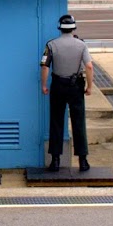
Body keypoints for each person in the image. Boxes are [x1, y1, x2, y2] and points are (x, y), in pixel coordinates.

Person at [40, 13, 94, 172]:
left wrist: (44, 85)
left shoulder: (51, 45)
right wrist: (89, 87)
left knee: (56, 121)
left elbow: (45, 67)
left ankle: (55, 160)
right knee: (78, 121)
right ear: (73, 28)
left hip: (58, 85)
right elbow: (89, 66)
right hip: (75, 85)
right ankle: (83, 161)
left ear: (60, 28)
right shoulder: (81, 45)